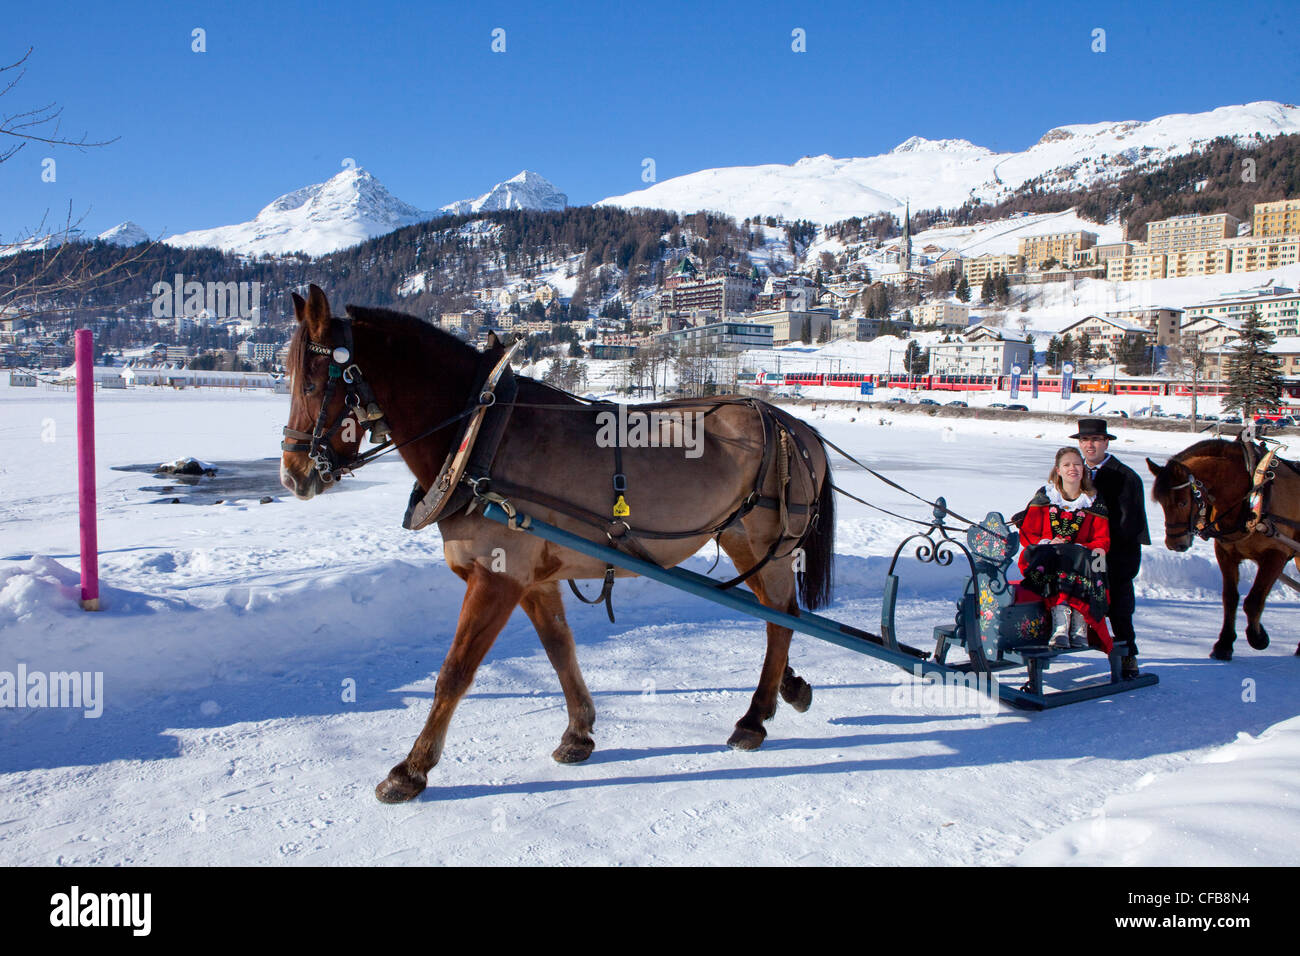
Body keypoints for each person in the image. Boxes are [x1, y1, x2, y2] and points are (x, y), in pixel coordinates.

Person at [1073, 418, 1149, 679]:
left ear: (1106, 442)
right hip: (1080, 555)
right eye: (1084, 440)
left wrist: (1103, 545)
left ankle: (1128, 656)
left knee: (1119, 609)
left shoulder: (1125, 476)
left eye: (1095, 440)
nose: (1089, 445)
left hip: (1115, 556)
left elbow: (1131, 524)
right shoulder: (1074, 472)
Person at [1017, 447, 1112, 651]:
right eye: (1067, 465)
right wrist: (1049, 543)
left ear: (1083, 469)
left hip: (1080, 561)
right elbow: (1027, 534)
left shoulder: (1094, 501)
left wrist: (1078, 547)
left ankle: (1080, 623)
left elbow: (1102, 540)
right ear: (1058, 470)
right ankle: (1061, 625)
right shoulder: (1045, 497)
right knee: (1061, 557)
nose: (1073, 469)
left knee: (1081, 558)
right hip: (1044, 557)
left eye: (1077, 464)